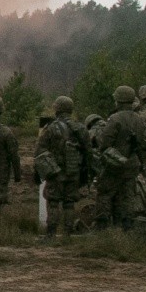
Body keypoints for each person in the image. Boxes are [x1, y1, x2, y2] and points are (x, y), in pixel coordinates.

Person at [34, 95, 91, 236]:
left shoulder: (50, 128)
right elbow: (88, 152)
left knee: (53, 202)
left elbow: (40, 151)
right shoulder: (81, 128)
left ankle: (51, 233)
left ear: (57, 109)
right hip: (74, 171)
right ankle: (68, 234)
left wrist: (41, 172)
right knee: (69, 203)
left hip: (55, 172)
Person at [94, 86, 146, 231]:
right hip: (132, 163)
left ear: (118, 100)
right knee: (128, 196)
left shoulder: (115, 118)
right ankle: (127, 227)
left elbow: (105, 143)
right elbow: (142, 142)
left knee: (104, 193)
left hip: (114, 164)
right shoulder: (140, 119)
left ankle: (102, 227)